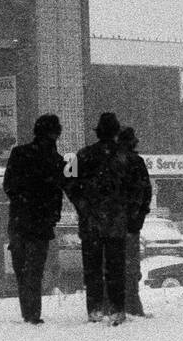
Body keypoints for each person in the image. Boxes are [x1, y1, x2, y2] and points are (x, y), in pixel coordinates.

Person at [65, 112, 134, 323]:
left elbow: (67, 181)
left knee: (92, 268)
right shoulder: (125, 157)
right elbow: (135, 187)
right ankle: (117, 308)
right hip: (116, 221)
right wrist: (127, 210)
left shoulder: (83, 154)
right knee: (116, 268)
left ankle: (94, 309)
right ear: (115, 133)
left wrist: (82, 204)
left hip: (90, 221)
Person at [2, 114, 65, 324]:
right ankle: (33, 314)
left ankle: (28, 311)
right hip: (41, 223)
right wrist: (51, 214)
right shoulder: (56, 160)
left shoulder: (19, 153)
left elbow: (8, 186)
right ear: (55, 134)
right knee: (35, 270)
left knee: (21, 269)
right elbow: (58, 192)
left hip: (19, 220)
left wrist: (23, 201)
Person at [116, 127, 152, 317]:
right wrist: (139, 216)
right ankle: (132, 306)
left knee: (114, 266)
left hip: (111, 224)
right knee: (130, 268)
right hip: (131, 223)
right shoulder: (137, 163)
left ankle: (113, 305)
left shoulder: (111, 161)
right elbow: (146, 191)